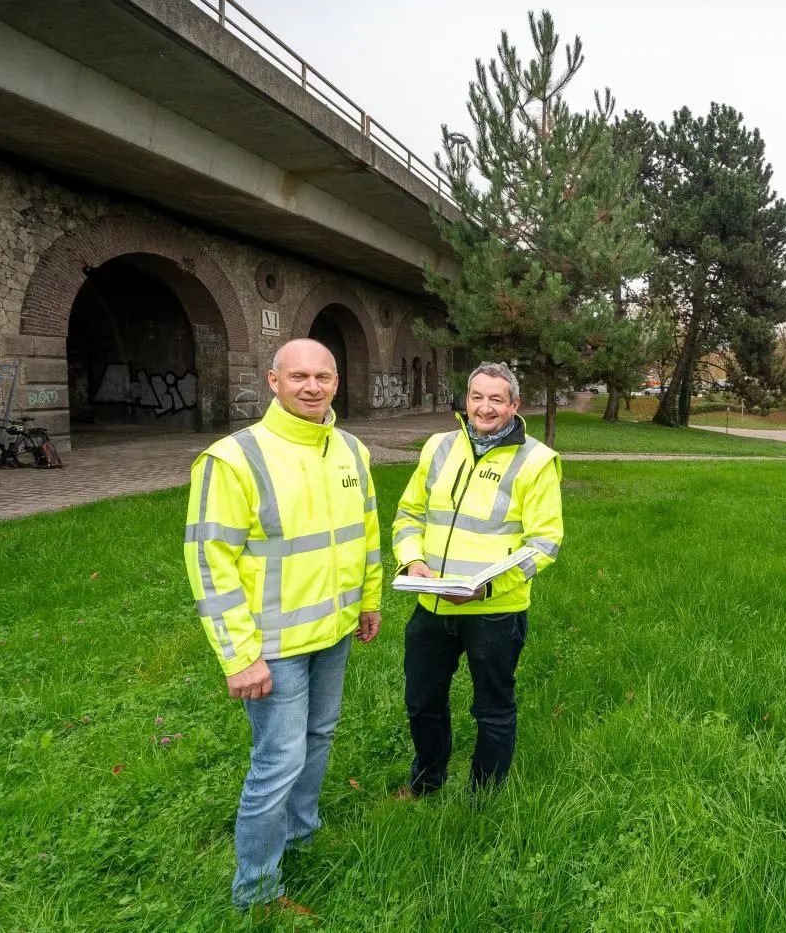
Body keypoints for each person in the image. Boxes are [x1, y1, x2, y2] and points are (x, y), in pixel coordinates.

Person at [183, 338, 383, 914]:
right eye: (299, 376)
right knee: (278, 763)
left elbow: (366, 535)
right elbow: (208, 561)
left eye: (323, 376)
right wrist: (238, 655)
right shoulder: (234, 458)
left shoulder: (351, 451)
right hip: (273, 648)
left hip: (335, 633)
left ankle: (302, 834)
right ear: (273, 381)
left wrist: (368, 602)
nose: (312, 386)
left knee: (319, 739)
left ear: (337, 382)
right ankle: (257, 890)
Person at [392, 361, 563, 796]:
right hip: (431, 603)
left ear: (514, 405)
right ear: (465, 400)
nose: (485, 408)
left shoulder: (537, 460)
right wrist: (412, 561)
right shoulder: (438, 447)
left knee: (492, 709)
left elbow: (544, 544)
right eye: (476, 397)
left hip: (495, 611)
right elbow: (410, 513)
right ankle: (427, 782)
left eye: (496, 399)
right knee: (422, 704)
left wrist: (487, 588)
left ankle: (483, 798)